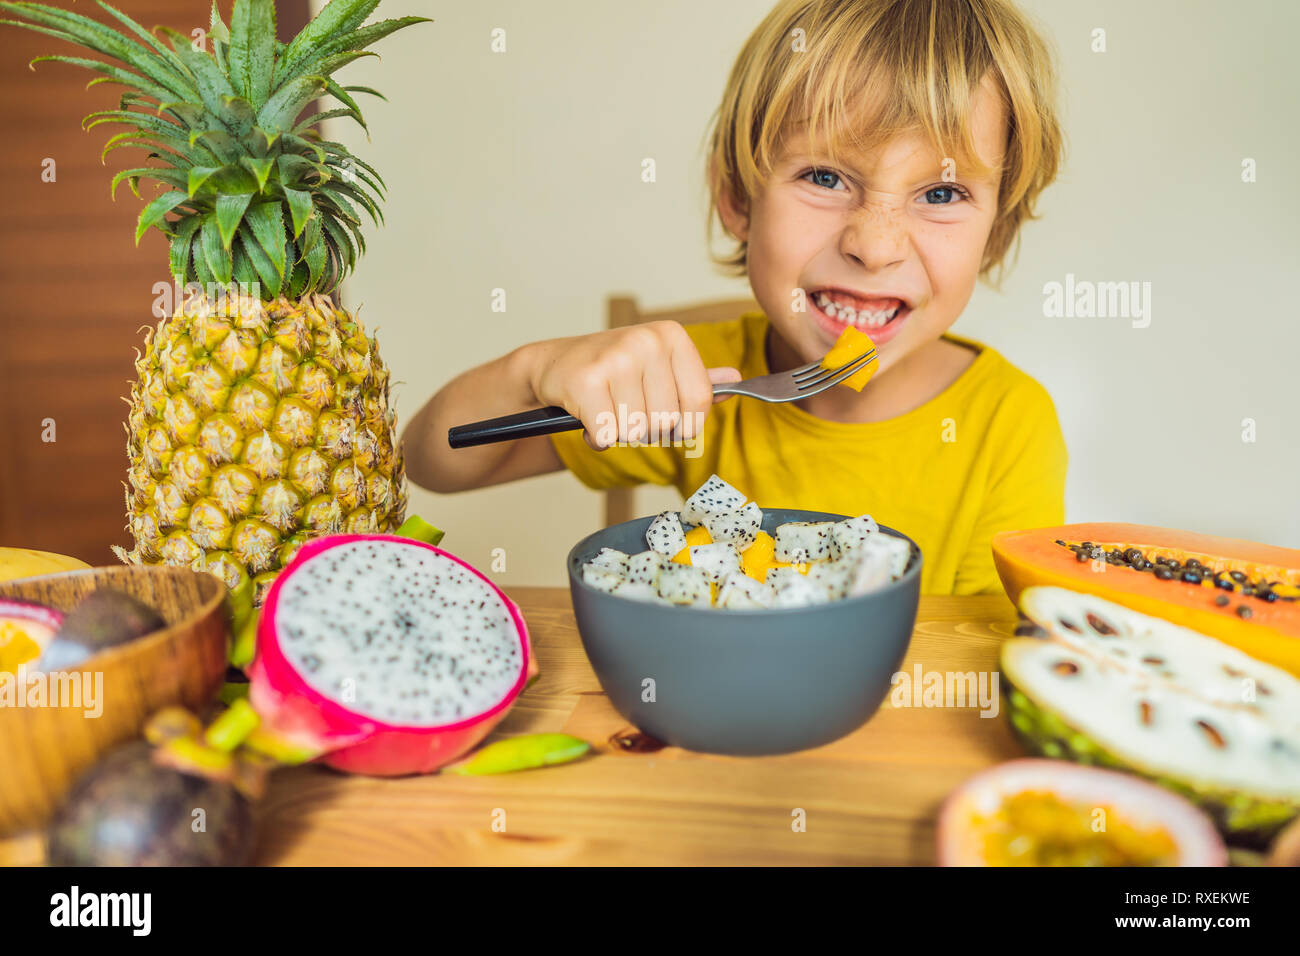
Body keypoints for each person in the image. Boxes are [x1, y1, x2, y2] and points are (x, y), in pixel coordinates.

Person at [404, 0, 1067, 595]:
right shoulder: (697, 383)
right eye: (826, 175)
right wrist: (535, 371)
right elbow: (436, 460)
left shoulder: (1010, 425)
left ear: (996, 231)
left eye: (942, 194)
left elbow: (981, 661)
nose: (875, 245)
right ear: (738, 200)